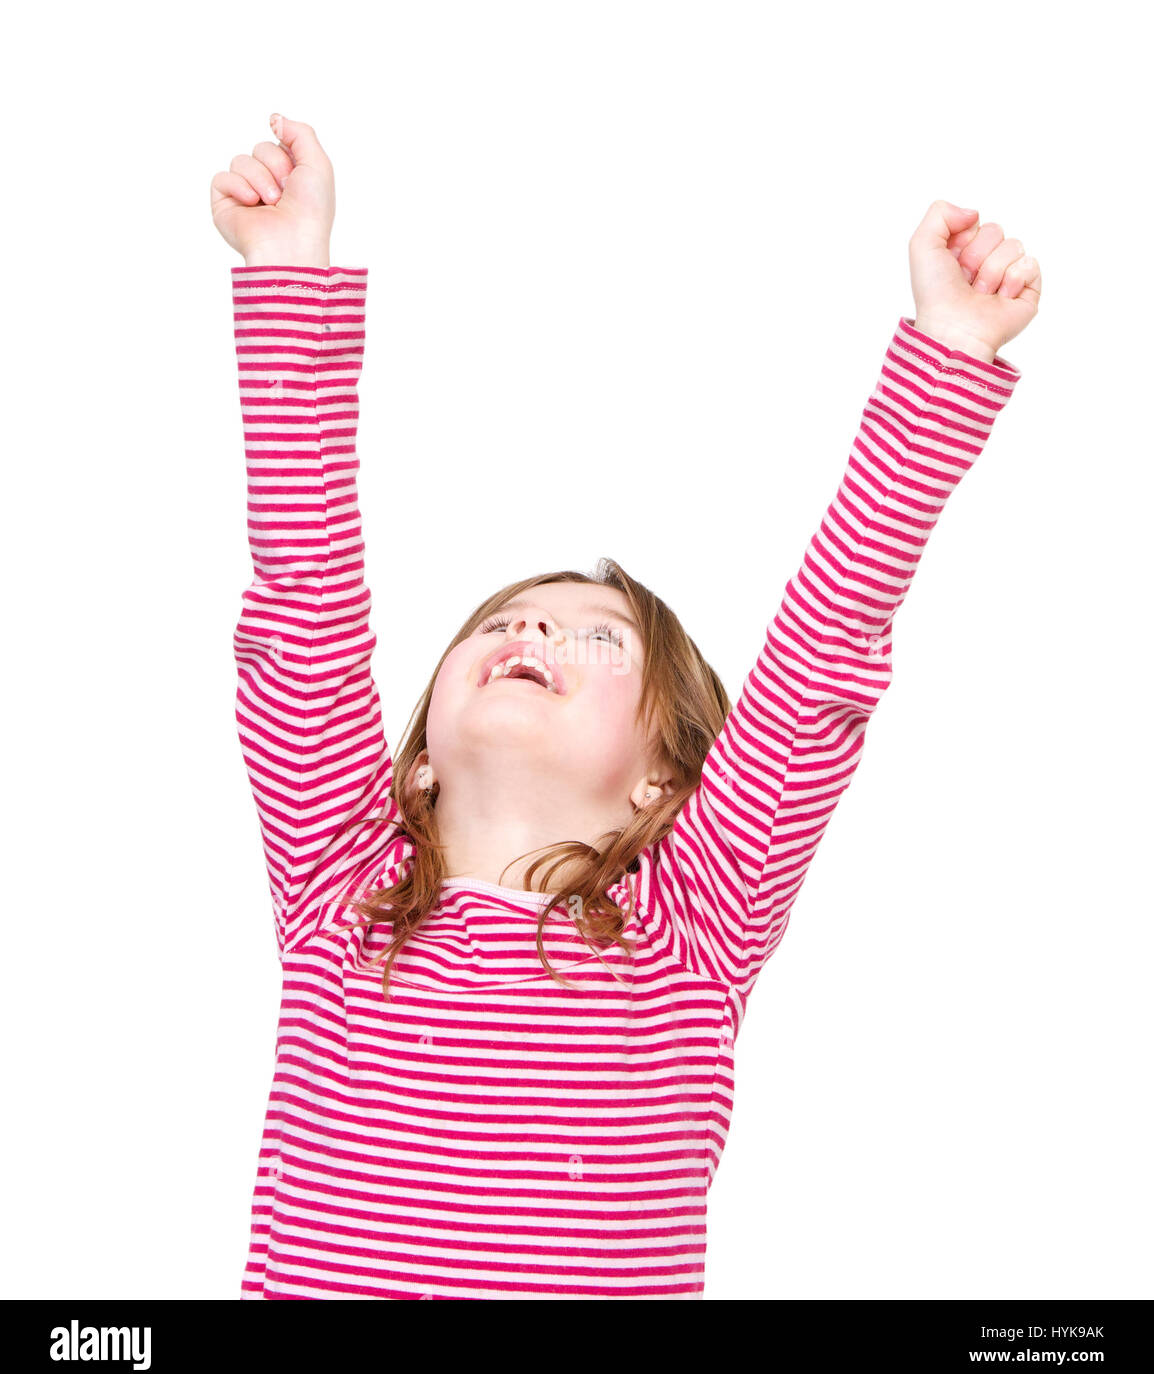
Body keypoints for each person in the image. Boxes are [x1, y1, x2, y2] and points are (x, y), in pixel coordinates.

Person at [210, 114, 1041, 1300]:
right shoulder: (339, 875)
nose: (529, 631)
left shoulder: (695, 923)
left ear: (664, 777)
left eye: (596, 640)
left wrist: (944, 351)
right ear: (422, 759)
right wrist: (288, 270)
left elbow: (815, 668)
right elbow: (306, 607)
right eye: (498, 625)